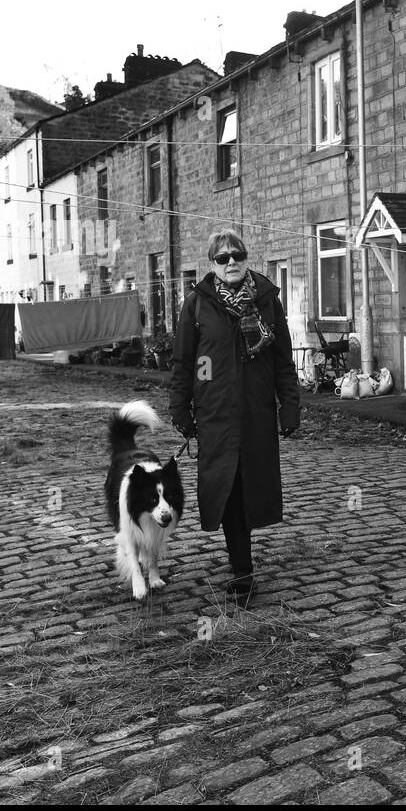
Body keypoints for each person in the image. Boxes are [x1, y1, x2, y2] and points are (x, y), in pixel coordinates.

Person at [169, 228, 300, 599]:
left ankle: (243, 563)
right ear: (213, 263)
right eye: (223, 258)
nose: (231, 263)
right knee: (225, 489)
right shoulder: (197, 303)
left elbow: (282, 359)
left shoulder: (268, 301)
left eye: (237, 256)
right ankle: (243, 570)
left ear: (246, 258)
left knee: (249, 486)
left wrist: (289, 404)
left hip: (256, 413)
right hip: (215, 414)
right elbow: (183, 361)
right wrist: (180, 407)